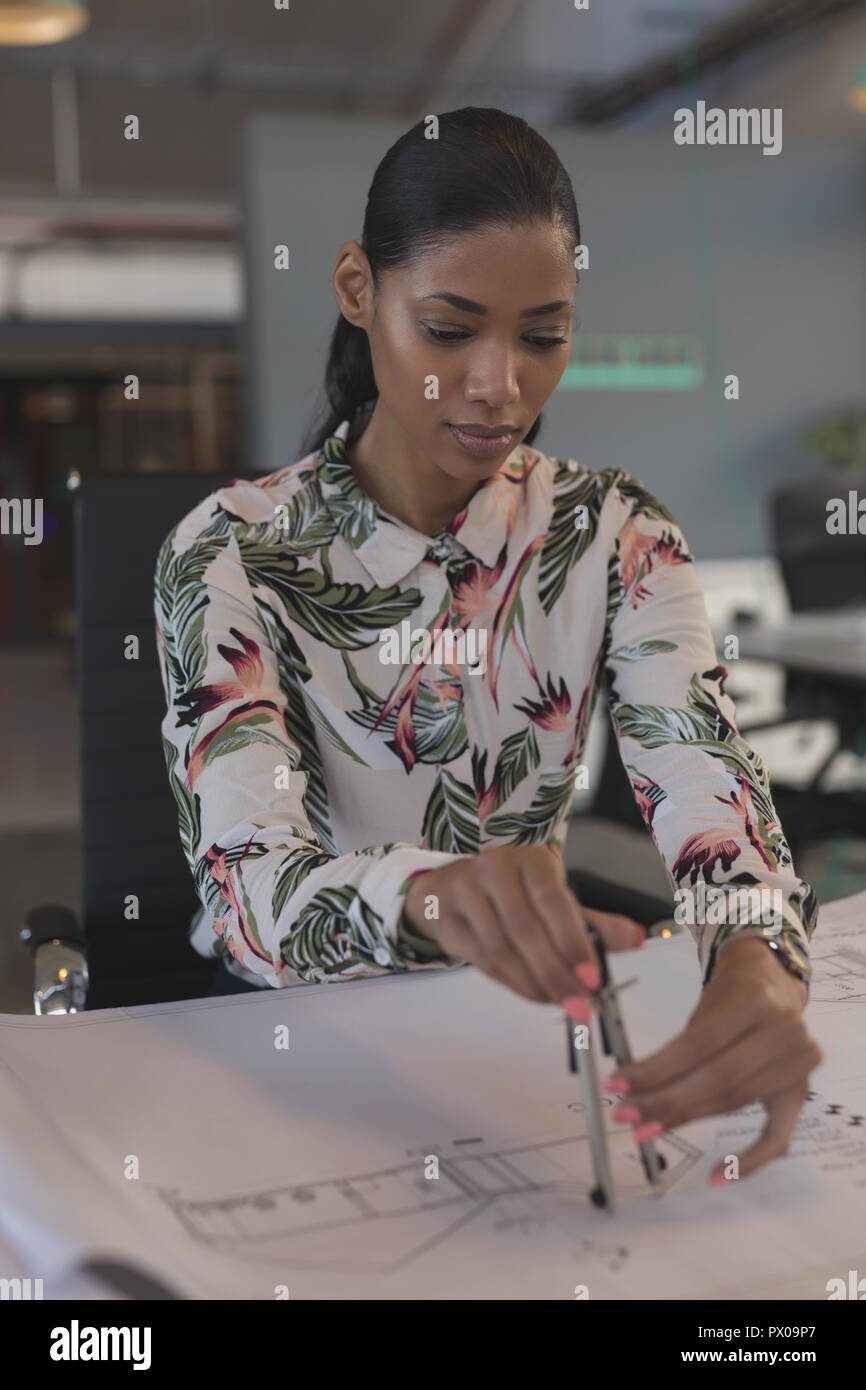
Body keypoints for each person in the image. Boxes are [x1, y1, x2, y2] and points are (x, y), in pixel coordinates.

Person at [154, 107, 821, 1183]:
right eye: (451, 328)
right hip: (294, 1042)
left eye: (542, 335)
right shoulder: (230, 553)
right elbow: (247, 891)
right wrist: (428, 897)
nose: (498, 386)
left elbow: (707, 786)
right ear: (357, 291)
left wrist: (757, 962)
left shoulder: (616, 538)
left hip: (516, 1031)